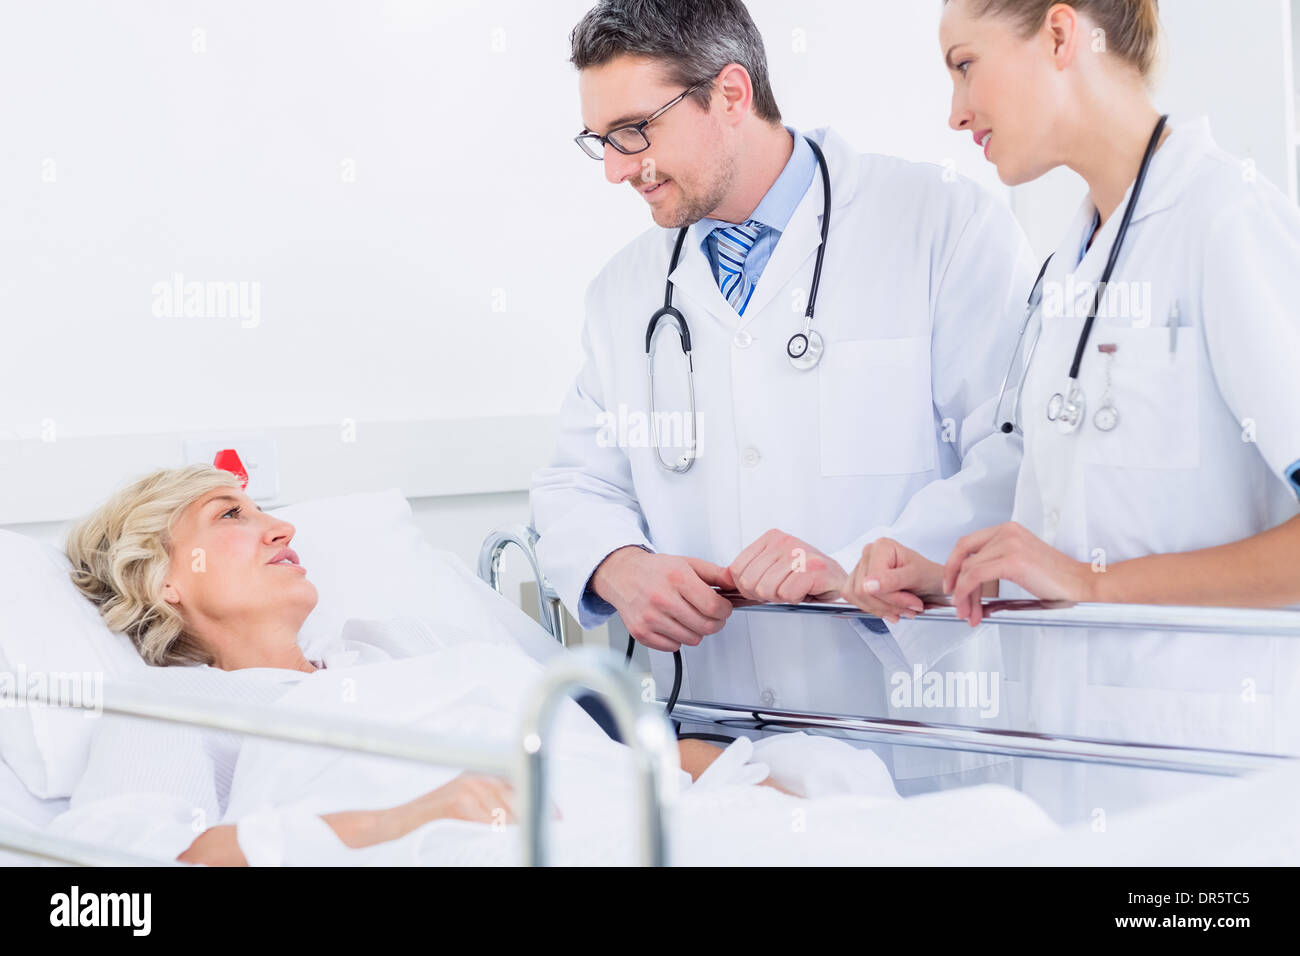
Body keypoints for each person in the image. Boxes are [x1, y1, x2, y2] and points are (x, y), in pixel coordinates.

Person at [530, 0, 1037, 793]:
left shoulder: (941, 225)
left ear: (731, 94)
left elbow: (1016, 460)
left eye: (635, 131)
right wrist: (619, 567)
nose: (617, 170)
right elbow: (576, 483)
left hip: (912, 746)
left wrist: (856, 568)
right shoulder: (624, 292)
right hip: (720, 761)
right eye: (602, 140)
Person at [846, 0, 1300, 821]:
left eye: (965, 65)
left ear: (1060, 35)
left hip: (1208, 793)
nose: (955, 113)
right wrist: (947, 572)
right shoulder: (1070, 262)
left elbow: (1091, 567)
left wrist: (1093, 583)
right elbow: (1069, 499)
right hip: (1071, 775)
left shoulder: (1225, 221)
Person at [58, 465, 799, 865]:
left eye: (260, 509)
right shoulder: (173, 705)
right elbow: (123, 869)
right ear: (164, 579)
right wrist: (408, 819)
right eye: (230, 515)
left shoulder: (398, 641)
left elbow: (577, 748)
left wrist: (694, 767)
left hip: (665, 824)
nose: (281, 527)